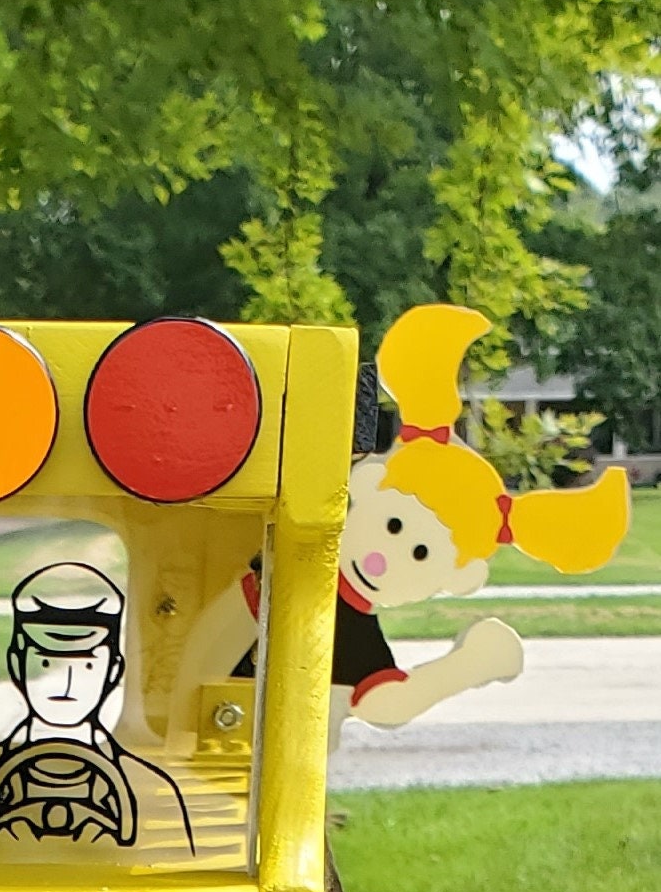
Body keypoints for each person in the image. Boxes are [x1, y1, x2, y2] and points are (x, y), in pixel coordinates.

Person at [170, 303, 629, 744]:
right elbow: (217, 644)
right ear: (368, 485)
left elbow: (383, 702)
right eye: (392, 527)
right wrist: (467, 668)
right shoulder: (294, 585)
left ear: (460, 576)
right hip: (215, 738)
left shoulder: (342, 622)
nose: (381, 559)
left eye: (420, 553)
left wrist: (465, 668)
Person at [0, 560, 194, 853]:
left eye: (87, 665)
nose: (68, 684)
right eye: (46, 662)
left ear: (113, 670)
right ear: (16, 663)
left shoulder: (156, 789)